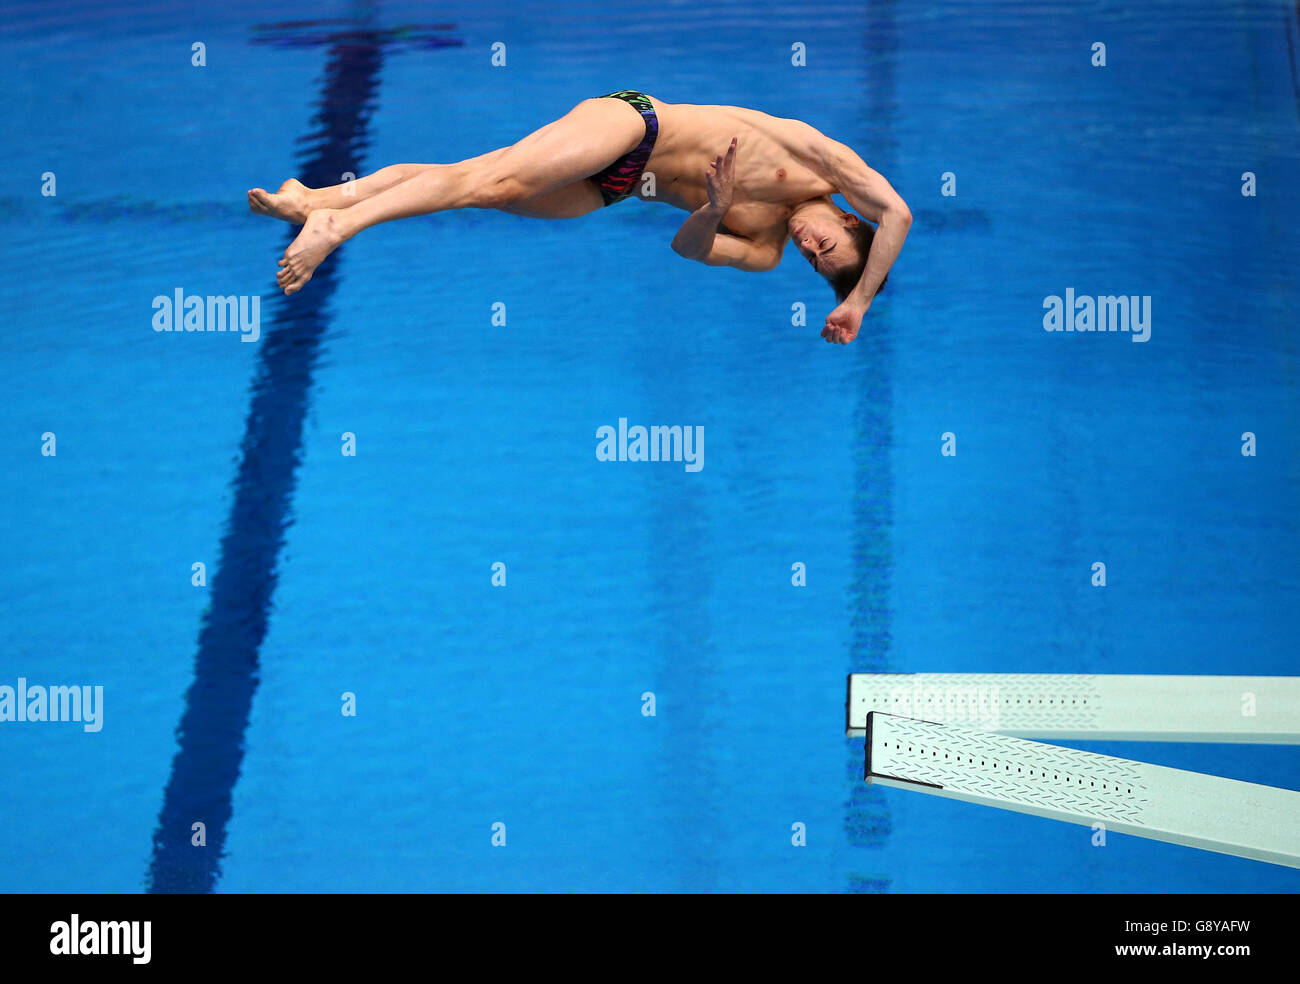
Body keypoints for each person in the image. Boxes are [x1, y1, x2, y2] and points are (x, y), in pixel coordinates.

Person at [248, 90, 910, 344]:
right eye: (827, 244)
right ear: (851, 221)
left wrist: (712, 209)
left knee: (477, 186)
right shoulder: (826, 162)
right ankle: (338, 227)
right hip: (630, 126)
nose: (808, 246)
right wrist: (857, 303)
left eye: (813, 260)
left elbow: (688, 249)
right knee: (497, 176)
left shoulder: (764, 247)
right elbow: (901, 213)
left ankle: (313, 200)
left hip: (618, 188)